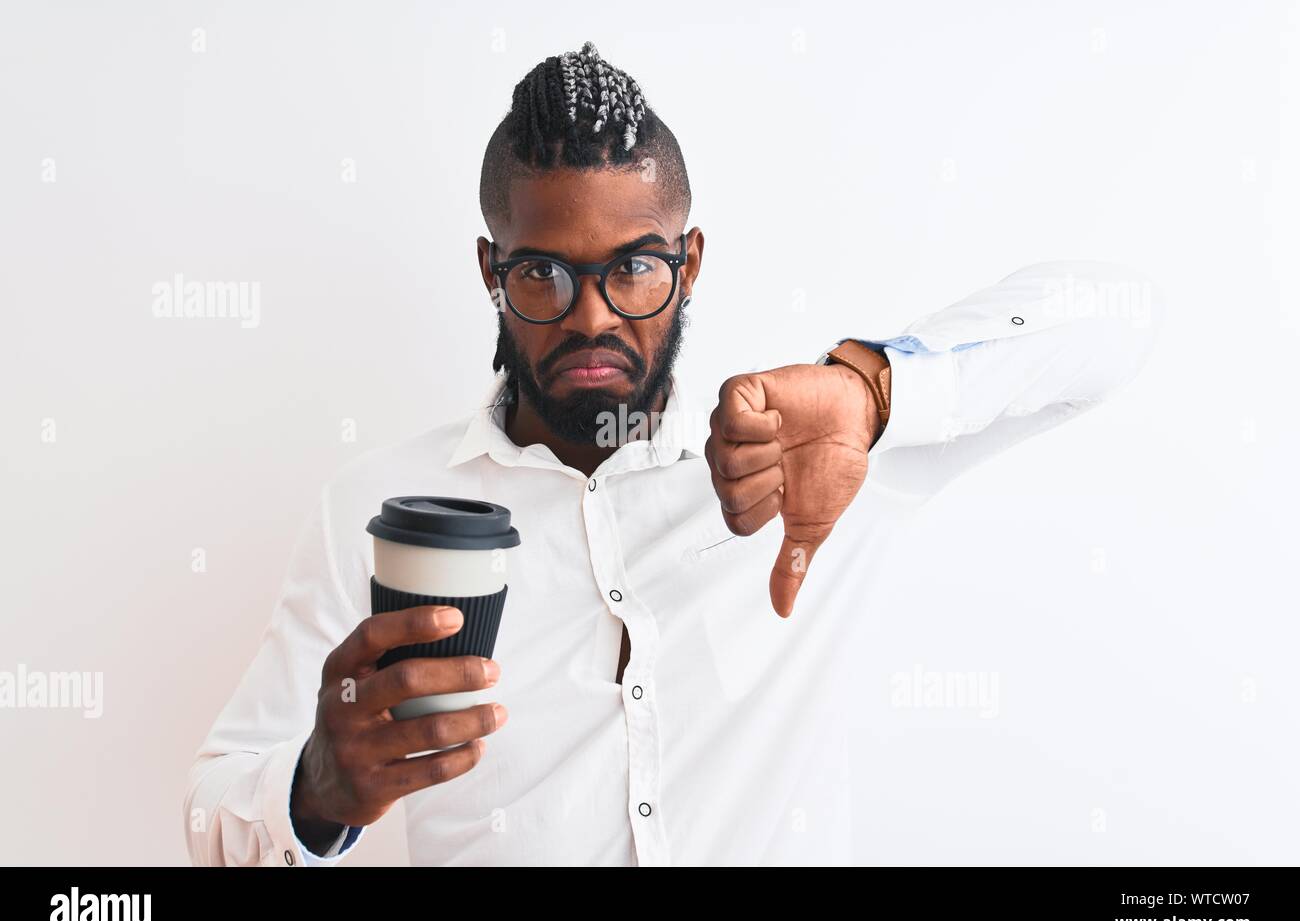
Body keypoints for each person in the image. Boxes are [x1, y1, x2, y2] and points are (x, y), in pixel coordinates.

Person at [183, 40, 1158, 866]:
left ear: (687, 263)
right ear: (492, 269)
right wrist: (315, 791)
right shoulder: (380, 505)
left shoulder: (816, 455)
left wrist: (874, 386)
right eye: (545, 273)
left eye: (635, 267)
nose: (592, 316)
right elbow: (212, 817)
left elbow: (1119, 320)